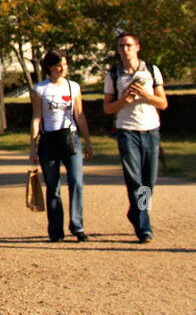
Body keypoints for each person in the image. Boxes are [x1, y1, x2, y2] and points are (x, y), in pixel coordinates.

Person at [103, 32, 167, 242]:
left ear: (137, 47)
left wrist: (146, 95)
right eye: (121, 46)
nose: (125, 49)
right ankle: (144, 226)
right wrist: (124, 100)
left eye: (129, 45)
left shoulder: (151, 71)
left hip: (150, 130)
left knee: (148, 182)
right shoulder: (114, 74)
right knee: (134, 181)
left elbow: (163, 103)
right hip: (127, 131)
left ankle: (136, 212)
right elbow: (108, 108)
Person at [28, 49, 94, 242]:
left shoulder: (73, 87)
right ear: (50, 67)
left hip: (70, 138)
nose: (62, 68)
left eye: (65, 64)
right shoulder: (40, 89)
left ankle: (77, 225)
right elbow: (37, 117)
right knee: (53, 186)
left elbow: (80, 116)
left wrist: (88, 142)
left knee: (77, 182)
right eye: (58, 65)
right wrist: (32, 146)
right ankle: (56, 230)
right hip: (49, 139)